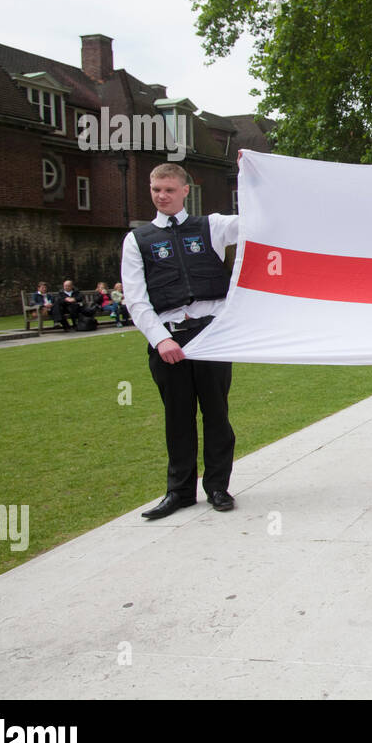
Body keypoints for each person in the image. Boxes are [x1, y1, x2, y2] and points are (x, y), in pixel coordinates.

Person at [122, 163, 239, 520]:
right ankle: (180, 491)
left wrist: (251, 174)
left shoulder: (212, 226)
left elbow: (259, 219)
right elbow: (135, 298)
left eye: (169, 190)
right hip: (169, 340)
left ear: (185, 190)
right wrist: (161, 340)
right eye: (156, 189)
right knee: (178, 418)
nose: (162, 196)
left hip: (210, 335)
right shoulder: (137, 240)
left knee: (217, 414)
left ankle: (218, 486)